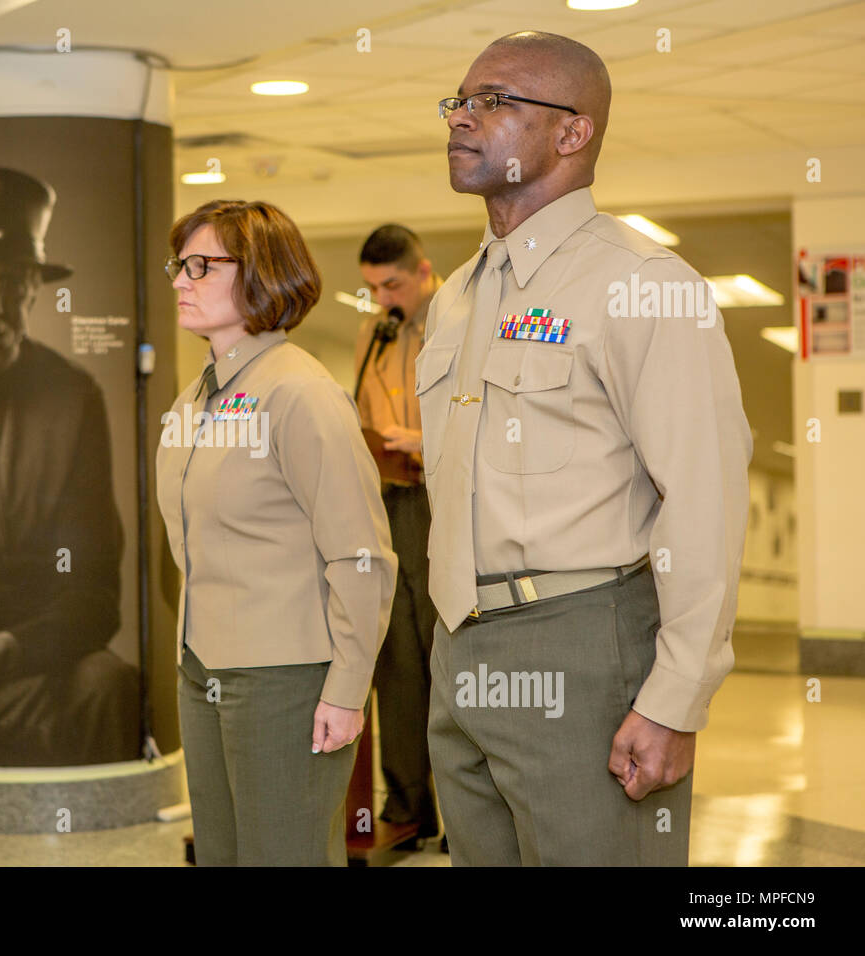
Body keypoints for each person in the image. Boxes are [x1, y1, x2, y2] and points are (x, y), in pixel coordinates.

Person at [421, 32, 750, 865]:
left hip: (582, 644)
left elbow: (704, 499)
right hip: (459, 641)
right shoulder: (456, 298)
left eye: (495, 101)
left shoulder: (644, 284)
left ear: (574, 133)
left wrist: (677, 698)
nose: (464, 119)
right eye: (459, 101)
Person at [156, 199, 396, 866]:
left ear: (260, 274)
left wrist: (349, 689)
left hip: (285, 677)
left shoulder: (300, 394)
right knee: (225, 855)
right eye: (180, 264)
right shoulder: (196, 397)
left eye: (201, 266)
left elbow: (362, 555)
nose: (180, 279)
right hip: (202, 666)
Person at [0, 166, 138, 767]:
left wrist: (7, 651)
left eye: (15, 284)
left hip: (28, 666)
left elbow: (95, 596)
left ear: (34, 295)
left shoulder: (70, 400)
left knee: (110, 686)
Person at [354, 225, 445, 844]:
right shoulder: (374, 335)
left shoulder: (459, 319)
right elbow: (363, 414)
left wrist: (427, 442)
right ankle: (407, 803)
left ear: (423, 272)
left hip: (447, 506)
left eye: (392, 284)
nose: (384, 298)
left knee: (448, 653)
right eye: (371, 288)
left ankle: (468, 806)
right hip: (391, 502)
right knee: (399, 659)